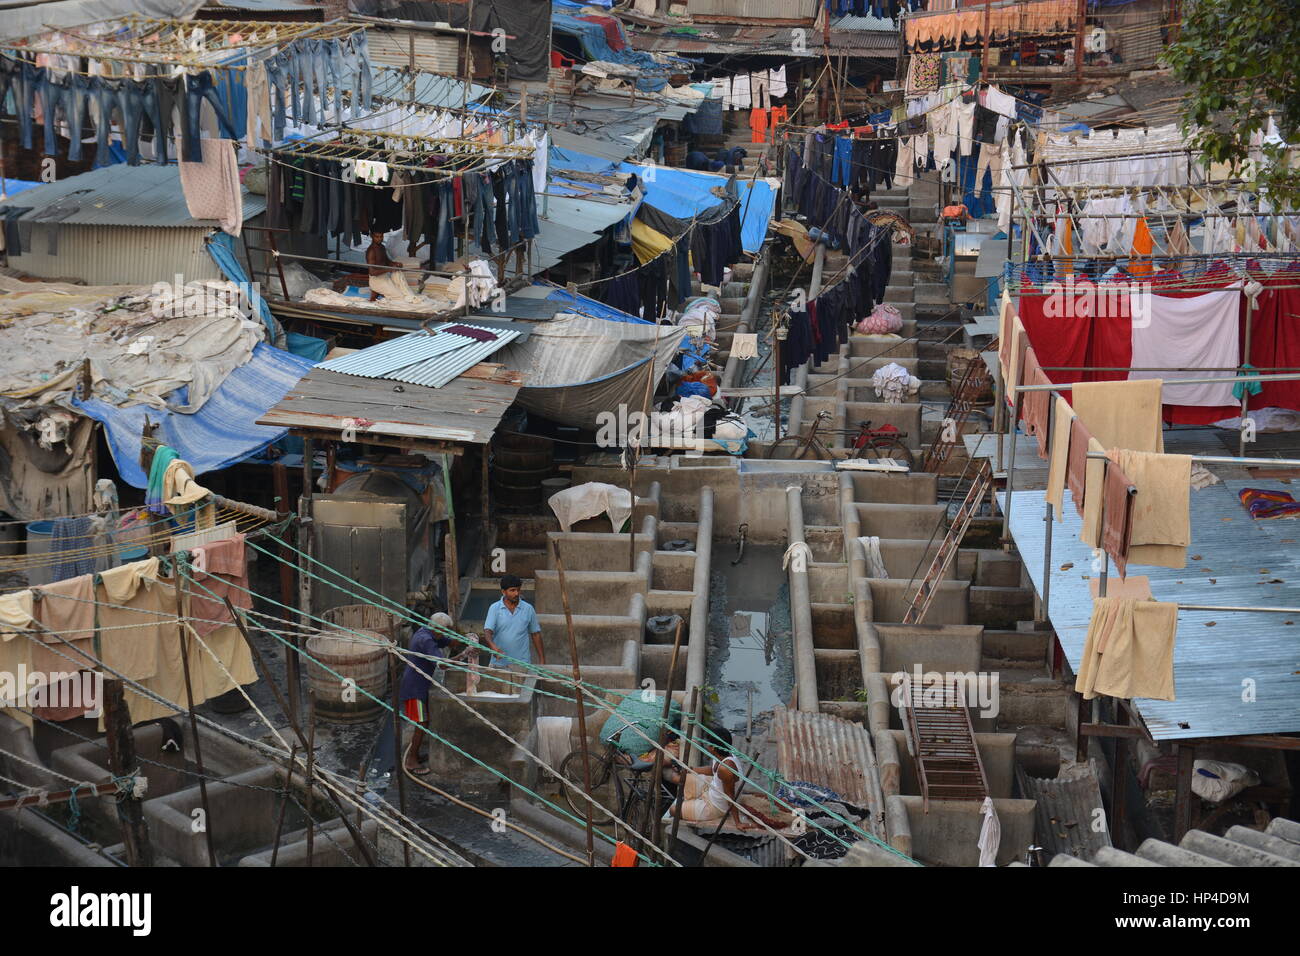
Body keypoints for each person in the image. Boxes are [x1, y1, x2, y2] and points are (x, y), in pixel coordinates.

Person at [399, 611, 468, 775]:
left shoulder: (429, 631)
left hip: (421, 684)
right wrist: (463, 655)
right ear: (438, 629)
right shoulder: (426, 640)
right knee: (421, 723)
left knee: (423, 722)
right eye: (445, 630)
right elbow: (442, 665)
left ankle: (414, 754)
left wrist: (469, 640)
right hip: (414, 687)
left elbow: (451, 643)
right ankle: (411, 761)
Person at [671, 727, 743, 827]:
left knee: (673, 810)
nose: (706, 746)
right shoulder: (723, 754)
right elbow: (712, 770)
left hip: (717, 806)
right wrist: (689, 769)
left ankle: (694, 804)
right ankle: (693, 802)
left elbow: (730, 797)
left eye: (708, 744)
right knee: (678, 778)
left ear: (713, 748)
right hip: (712, 788)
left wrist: (738, 822)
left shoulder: (725, 769)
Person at [483, 573, 544, 671]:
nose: (516, 593)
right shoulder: (494, 608)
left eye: (518, 590)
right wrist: (492, 646)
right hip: (498, 664)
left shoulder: (528, 609)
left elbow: (536, 634)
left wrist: (542, 661)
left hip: (523, 665)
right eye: (512, 590)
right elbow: (487, 631)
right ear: (503, 591)